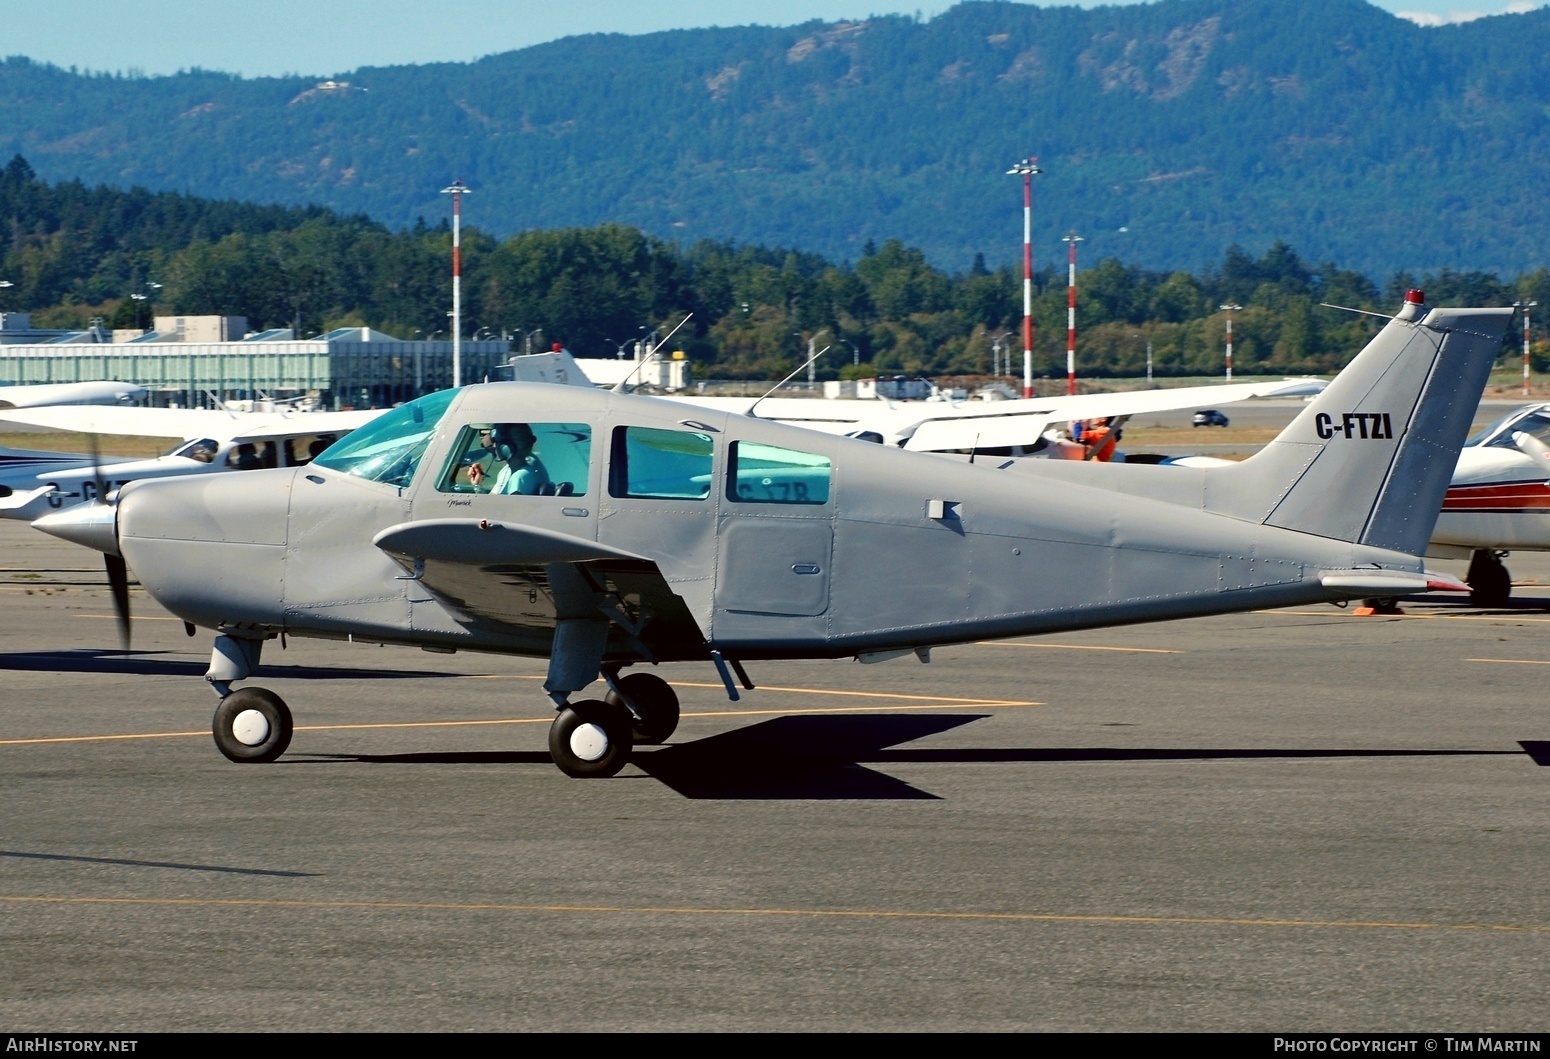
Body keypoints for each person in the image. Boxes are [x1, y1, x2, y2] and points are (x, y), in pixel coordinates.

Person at [468, 423, 550, 495]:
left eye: (496, 442)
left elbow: (489, 508)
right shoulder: (533, 465)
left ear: (506, 448)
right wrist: (478, 484)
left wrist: (477, 486)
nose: (494, 446)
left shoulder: (517, 476)